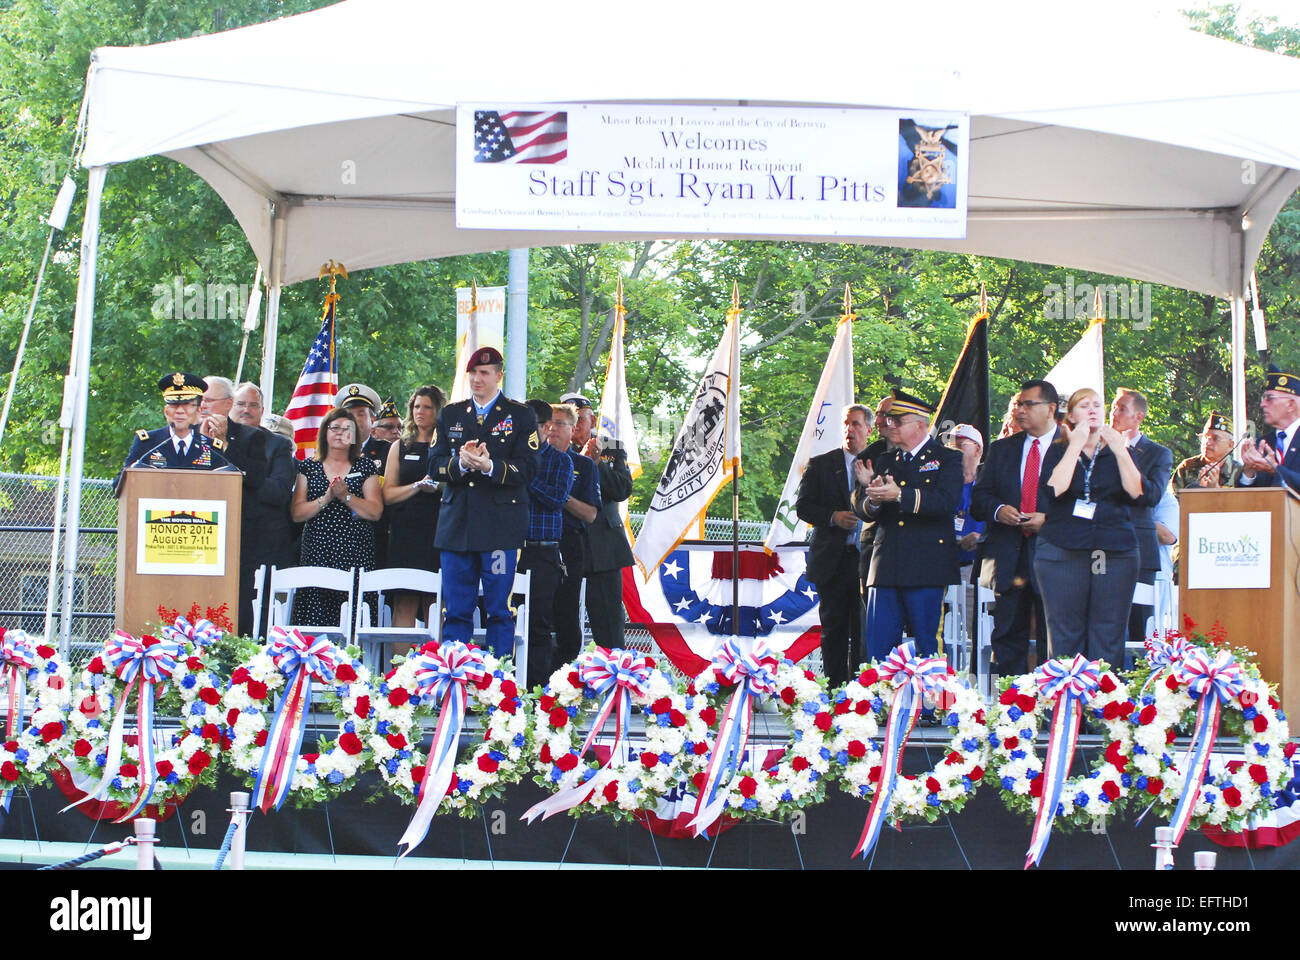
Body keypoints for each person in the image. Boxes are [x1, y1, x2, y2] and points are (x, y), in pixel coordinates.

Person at [428, 347, 538, 659]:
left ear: (499, 376)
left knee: (499, 610)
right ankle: (454, 678)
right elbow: (433, 464)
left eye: (485, 373)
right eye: (473, 373)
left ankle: (496, 684)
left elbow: (529, 468)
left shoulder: (519, 415)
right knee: (457, 610)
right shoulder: (451, 413)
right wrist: (460, 464)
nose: (477, 379)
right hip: (457, 526)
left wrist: (490, 467)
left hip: (500, 530)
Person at [1034, 388, 1150, 670]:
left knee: (1108, 633)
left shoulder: (1119, 449)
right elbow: (1053, 491)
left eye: (1098, 405)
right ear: (1071, 416)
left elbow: (1138, 493)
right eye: (1084, 406)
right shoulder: (1059, 448)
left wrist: (1120, 450)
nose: (1093, 410)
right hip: (1064, 550)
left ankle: (1104, 708)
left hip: (1115, 550)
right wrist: (1075, 446)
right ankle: (1064, 705)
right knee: (1065, 634)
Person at [853, 389, 963, 661]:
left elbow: (946, 502)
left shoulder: (947, 458)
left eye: (897, 420)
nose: (889, 426)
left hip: (926, 565)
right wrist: (874, 496)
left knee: (929, 645)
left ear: (920, 425)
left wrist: (901, 495)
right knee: (878, 649)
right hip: (886, 563)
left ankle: (937, 703)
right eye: (888, 419)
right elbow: (862, 508)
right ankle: (877, 702)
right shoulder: (884, 460)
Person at [971, 380, 1060, 677]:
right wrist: (998, 510)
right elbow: (979, 499)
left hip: (1054, 556)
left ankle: (1052, 703)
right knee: (1007, 634)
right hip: (1009, 558)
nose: (1020, 410)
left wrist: (1048, 521)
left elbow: (1083, 505)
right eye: (1018, 404)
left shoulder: (1071, 449)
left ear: (1051, 409)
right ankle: (1011, 706)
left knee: (1055, 637)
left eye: (1028, 404)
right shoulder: (1002, 450)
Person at [289, 407, 384, 628]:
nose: (340, 433)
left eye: (347, 429)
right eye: (335, 428)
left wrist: (346, 496)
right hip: (317, 548)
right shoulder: (309, 467)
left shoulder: (365, 466)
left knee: (352, 615)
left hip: (355, 550)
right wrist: (327, 497)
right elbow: (297, 513)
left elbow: (375, 511)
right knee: (314, 614)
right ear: (325, 432)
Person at [796, 404, 870, 688]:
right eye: (846, 424)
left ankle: (862, 691)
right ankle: (835, 689)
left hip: (867, 560)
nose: (850, 430)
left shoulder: (879, 463)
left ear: (868, 429)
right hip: (833, 560)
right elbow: (803, 506)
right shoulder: (822, 464)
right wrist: (832, 517)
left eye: (856, 424)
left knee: (863, 631)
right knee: (834, 629)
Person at [230, 381, 298, 636]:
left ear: (262, 410)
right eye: (240, 404)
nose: (246, 410)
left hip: (263, 547)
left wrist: (244, 472)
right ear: (229, 406)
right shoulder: (212, 443)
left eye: (253, 405)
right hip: (219, 547)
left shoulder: (276, 446)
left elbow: (278, 491)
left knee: (259, 624)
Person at [1109, 388, 1173, 648]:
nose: (1114, 413)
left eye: (1122, 408)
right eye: (1113, 406)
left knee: (1137, 627)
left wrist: (1122, 455)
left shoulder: (1158, 454)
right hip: (1100, 546)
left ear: (1139, 417)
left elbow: (1152, 494)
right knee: (1105, 623)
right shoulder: (1095, 446)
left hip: (1137, 548)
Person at [517, 400, 574, 683]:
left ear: (545, 427)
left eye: (532, 426)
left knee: (538, 624)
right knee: (503, 621)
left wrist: (526, 477)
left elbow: (557, 499)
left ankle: (534, 690)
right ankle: (501, 687)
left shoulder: (560, 460)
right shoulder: (509, 458)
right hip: (505, 550)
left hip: (541, 552)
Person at [382, 385, 446, 632]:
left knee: (434, 601)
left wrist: (437, 487)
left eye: (427, 407)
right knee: (404, 600)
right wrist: (418, 486)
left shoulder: (448, 445)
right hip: (405, 531)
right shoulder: (400, 446)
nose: (421, 412)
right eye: (417, 406)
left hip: (438, 529)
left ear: (438, 411)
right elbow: (388, 493)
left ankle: (436, 666)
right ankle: (401, 669)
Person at [115, 372, 234, 495]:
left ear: (198, 411)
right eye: (174, 406)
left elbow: (224, 490)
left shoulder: (211, 448)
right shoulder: (148, 443)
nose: (180, 412)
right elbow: (119, 485)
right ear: (166, 411)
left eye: (187, 406)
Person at [578, 403, 637, 647]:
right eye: (570, 419)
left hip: (604, 547)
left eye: (581, 419)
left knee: (609, 624)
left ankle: (614, 673)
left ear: (592, 422)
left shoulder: (612, 448)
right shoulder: (555, 447)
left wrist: (597, 462)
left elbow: (621, 489)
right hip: (567, 542)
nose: (575, 426)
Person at [552, 400, 601, 669]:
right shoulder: (532, 460)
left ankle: (564, 680)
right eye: (549, 423)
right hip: (536, 546)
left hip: (570, 544)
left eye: (561, 424)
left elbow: (591, 513)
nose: (553, 429)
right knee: (534, 616)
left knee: (567, 615)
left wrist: (561, 496)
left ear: (573, 430)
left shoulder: (583, 464)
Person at [335, 382, 390, 565]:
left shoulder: (387, 451)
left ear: (372, 420)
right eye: (349, 414)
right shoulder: (331, 453)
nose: (355, 419)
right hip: (335, 535)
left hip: (373, 535)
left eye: (361, 413)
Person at [946, 423, 985, 635]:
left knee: (973, 634)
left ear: (978, 449)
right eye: (951, 445)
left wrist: (981, 537)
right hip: (943, 566)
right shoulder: (943, 484)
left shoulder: (988, 483)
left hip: (974, 569)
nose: (954, 450)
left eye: (960, 445)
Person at [1237, 364, 1300, 492]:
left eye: (1270, 399)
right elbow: (1244, 499)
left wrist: (1275, 469)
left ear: (1291, 405)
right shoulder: (1262, 443)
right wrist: (1249, 472)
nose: (1263, 404)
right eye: (1263, 398)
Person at [1172, 411, 1241, 490]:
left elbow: (1243, 501)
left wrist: (1216, 490)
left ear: (1230, 445)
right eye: (1205, 437)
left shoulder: (1238, 471)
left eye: (1215, 438)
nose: (1207, 442)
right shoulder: (1187, 467)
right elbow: (1172, 500)